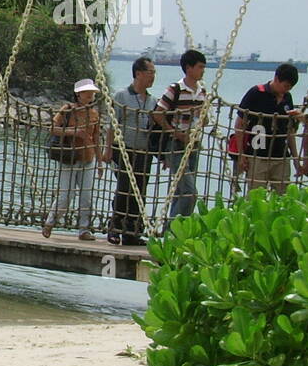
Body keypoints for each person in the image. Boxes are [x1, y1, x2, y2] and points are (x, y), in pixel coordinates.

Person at [42, 78, 103, 240]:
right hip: (69, 157)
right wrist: (74, 132)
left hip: (88, 157)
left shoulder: (95, 113)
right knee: (66, 195)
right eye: (86, 93)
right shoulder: (67, 110)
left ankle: (84, 229)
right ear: (78, 94)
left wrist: (100, 161)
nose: (90, 95)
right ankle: (50, 222)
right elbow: (53, 129)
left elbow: (96, 137)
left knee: (86, 196)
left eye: (92, 93)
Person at [152, 48, 208, 226]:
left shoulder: (202, 91)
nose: (202, 70)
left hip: (194, 144)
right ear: (189, 68)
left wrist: (200, 116)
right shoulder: (175, 89)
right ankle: (174, 230)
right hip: (176, 144)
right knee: (189, 192)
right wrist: (174, 132)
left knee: (180, 190)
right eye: (200, 67)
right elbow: (158, 113)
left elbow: (205, 120)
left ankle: (172, 231)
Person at [104, 57, 156, 245]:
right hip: (124, 149)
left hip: (143, 152)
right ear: (139, 73)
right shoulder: (121, 96)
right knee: (124, 189)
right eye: (150, 72)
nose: (153, 76)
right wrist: (108, 149)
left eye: (154, 73)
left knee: (140, 192)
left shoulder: (152, 101)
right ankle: (115, 228)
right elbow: (111, 124)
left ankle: (133, 232)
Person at [235, 62, 300, 196]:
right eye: (285, 86)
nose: (286, 90)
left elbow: (290, 131)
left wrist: (295, 159)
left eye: (290, 88)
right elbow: (239, 125)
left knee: (283, 197)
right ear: (276, 79)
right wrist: (242, 155)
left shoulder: (287, 97)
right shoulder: (256, 93)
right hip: (258, 155)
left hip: (281, 156)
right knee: (255, 197)